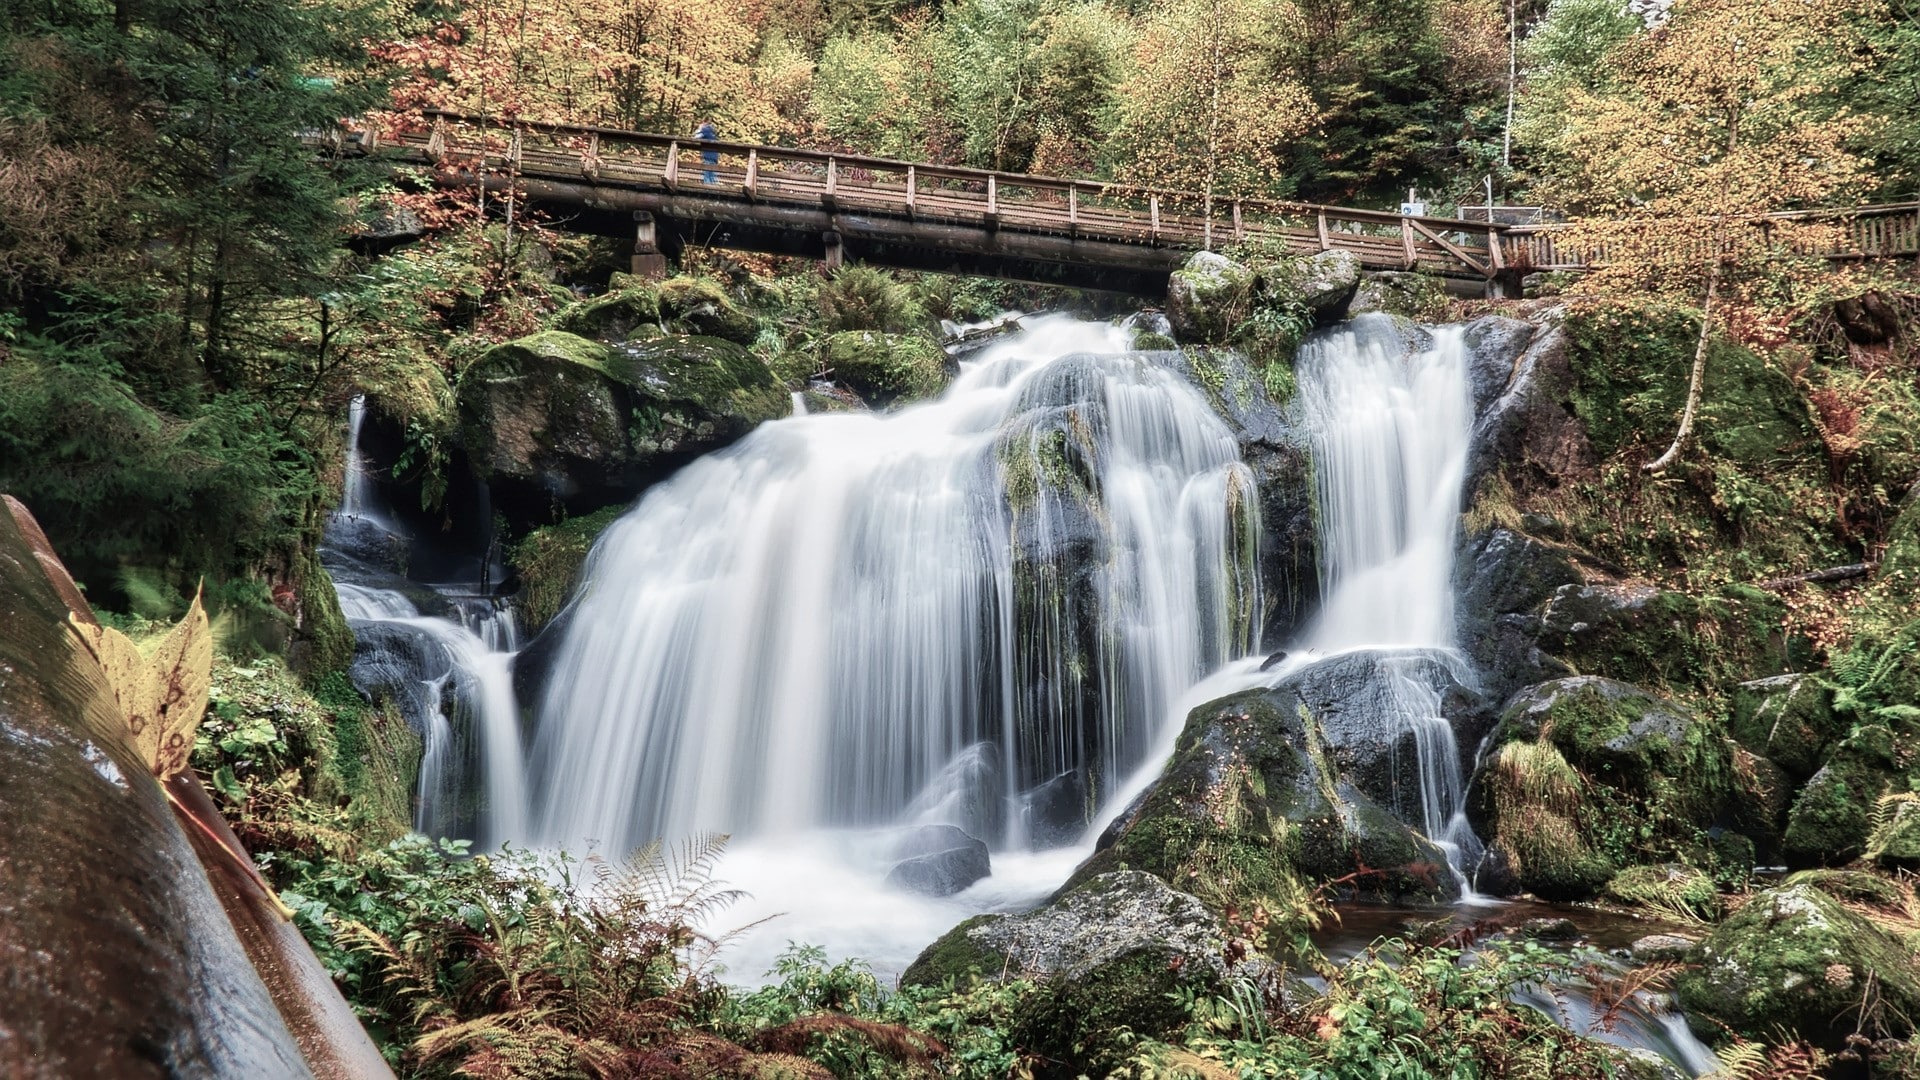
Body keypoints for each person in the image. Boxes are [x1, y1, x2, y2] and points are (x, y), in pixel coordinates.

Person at [696, 119, 718, 184]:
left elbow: (696, 137)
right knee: (713, 176)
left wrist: (699, 129)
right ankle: (713, 187)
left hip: (708, 155)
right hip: (714, 156)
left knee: (707, 175)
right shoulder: (712, 133)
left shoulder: (705, 131)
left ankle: (707, 186)